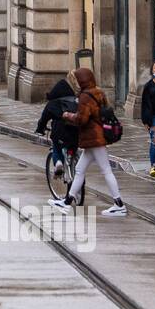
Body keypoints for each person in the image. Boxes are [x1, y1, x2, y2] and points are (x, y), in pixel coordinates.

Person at [49, 67, 127, 216]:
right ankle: (66, 202)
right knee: (79, 170)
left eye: (78, 79)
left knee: (106, 170)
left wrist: (67, 115)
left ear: (82, 80)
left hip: (94, 138)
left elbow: (82, 119)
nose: (76, 83)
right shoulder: (98, 92)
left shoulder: (86, 96)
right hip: (94, 139)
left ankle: (119, 204)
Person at [35, 74, 79, 182]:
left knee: (56, 145)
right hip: (76, 132)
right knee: (72, 146)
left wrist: (40, 129)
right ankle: (73, 161)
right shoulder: (76, 100)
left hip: (60, 132)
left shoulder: (53, 103)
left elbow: (43, 119)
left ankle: (58, 162)